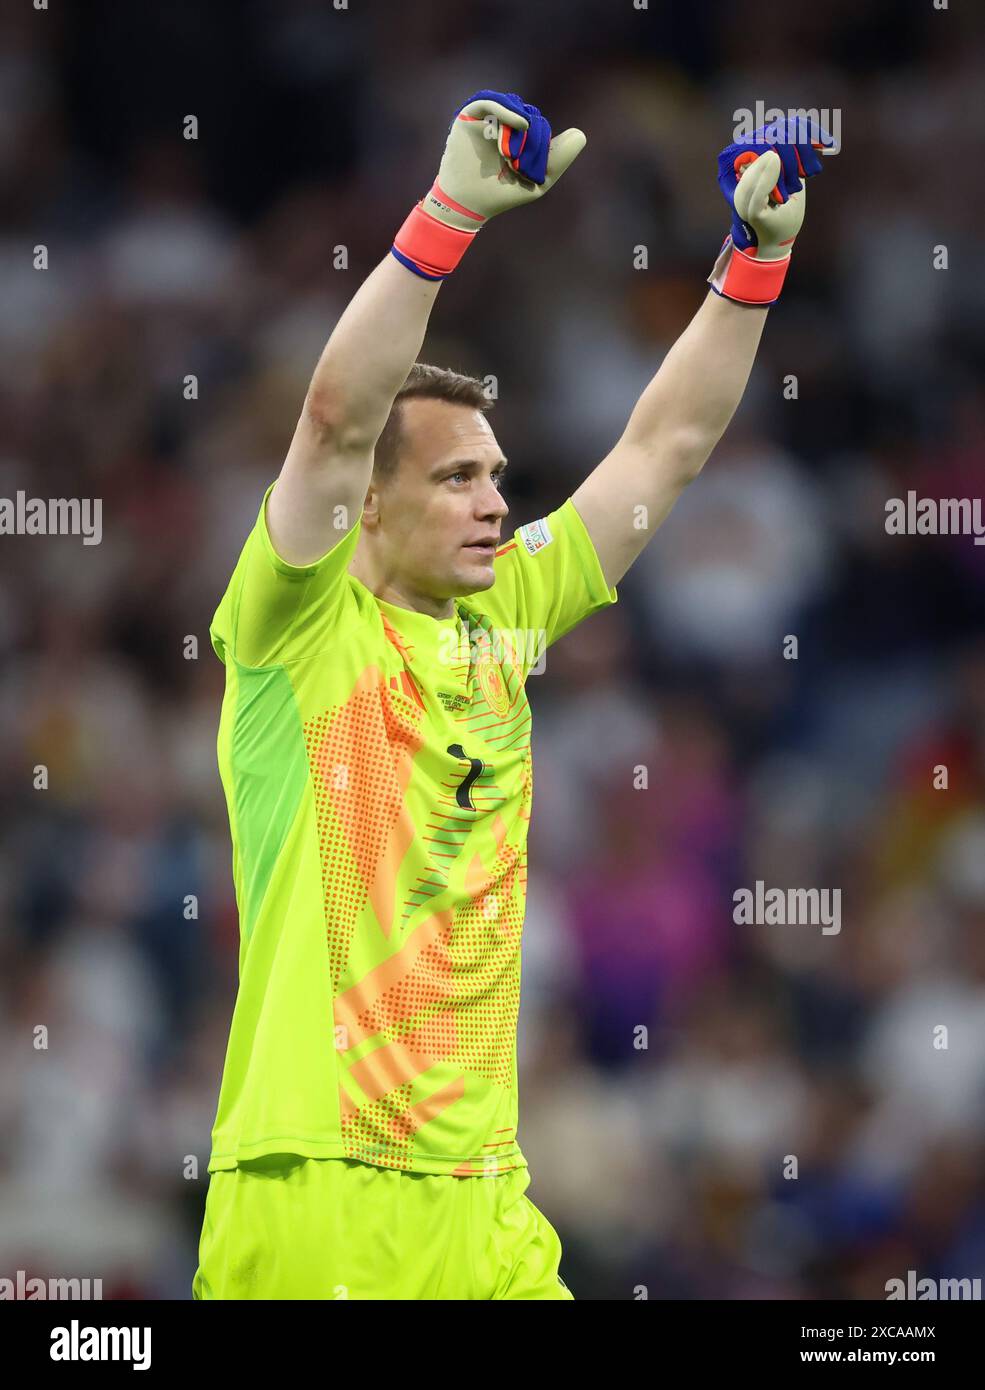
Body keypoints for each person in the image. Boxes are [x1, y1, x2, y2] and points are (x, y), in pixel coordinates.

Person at [192, 91, 828, 1300]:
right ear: (371, 505)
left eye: (499, 474)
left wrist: (757, 259)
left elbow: (664, 447)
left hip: (487, 1197)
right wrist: (445, 219)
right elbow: (333, 422)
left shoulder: (506, 613)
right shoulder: (298, 633)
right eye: (456, 477)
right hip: (320, 1187)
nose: (495, 501)